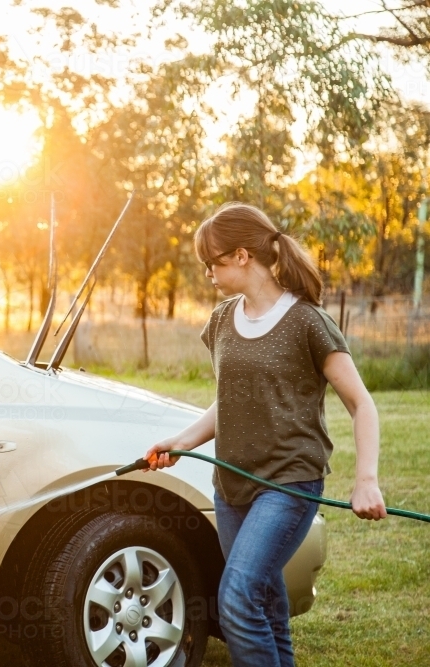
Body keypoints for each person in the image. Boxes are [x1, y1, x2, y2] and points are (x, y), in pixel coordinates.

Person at [143, 202, 386, 667]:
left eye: (211, 262)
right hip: (232, 487)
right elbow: (232, 399)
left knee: (236, 599)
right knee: (266, 607)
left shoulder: (307, 322)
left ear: (241, 256)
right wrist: (183, 440)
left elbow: (362, 403)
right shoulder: (220, 321)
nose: (207, 273)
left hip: (288, 485)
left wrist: (366, 479)